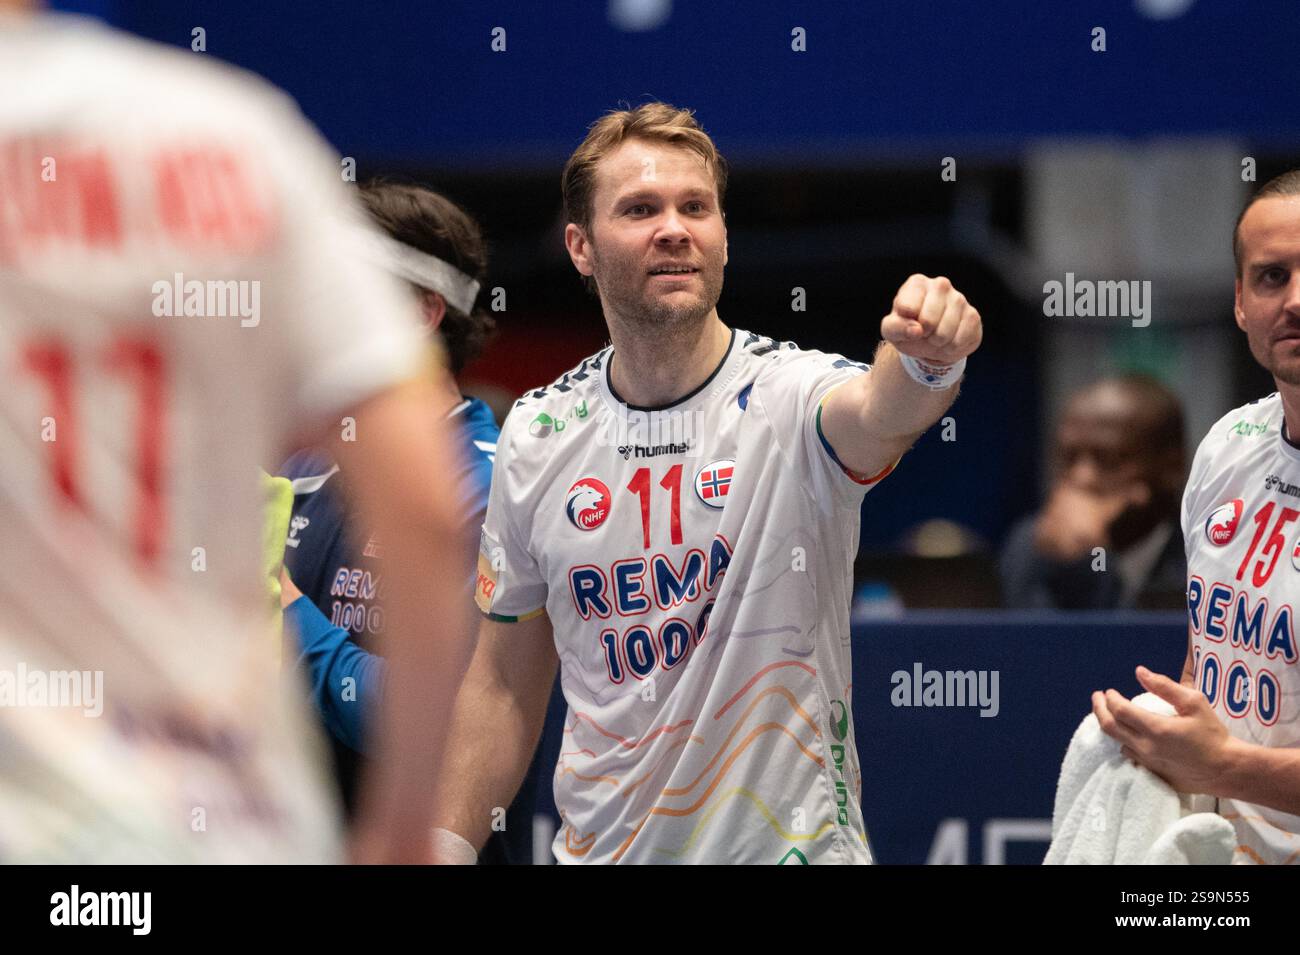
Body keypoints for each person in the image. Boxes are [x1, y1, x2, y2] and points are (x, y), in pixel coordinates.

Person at [429, 102, 984, 864]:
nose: (674, 228)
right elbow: (502, 682)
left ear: (723, 234)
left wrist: (931, 358)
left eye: (696, 207)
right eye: (640, 209)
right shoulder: (537, 431)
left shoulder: (788, 395)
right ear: (580, 247)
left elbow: (882, 410)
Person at [0, 6, 475, 863]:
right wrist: (404, 834)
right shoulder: (227, 131)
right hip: (230, 824)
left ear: (429, 308)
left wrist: (302, 623)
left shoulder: (488, 464)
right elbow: (423, 511)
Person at [279, 180, 540, 863]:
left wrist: (279, 608)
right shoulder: (302, 473)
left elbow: (450, 721)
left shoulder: (488, 487)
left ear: (425, 311)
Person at [1093, 170, 1300, 865]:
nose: (1296, 299)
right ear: (1241, 302)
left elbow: (1217, 758)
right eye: (1272, 277)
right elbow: (1206, 662)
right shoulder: (1227, 448)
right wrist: (1161, 736)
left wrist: (1220, 766)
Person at [999, 375, 1187, 610]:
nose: (1081, 477)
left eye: (1108, 460)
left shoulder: (1206, 554)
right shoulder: (1031, 547)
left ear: (1171, 467)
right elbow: (1046, 644)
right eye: (1069, 458)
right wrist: (1077, 561)